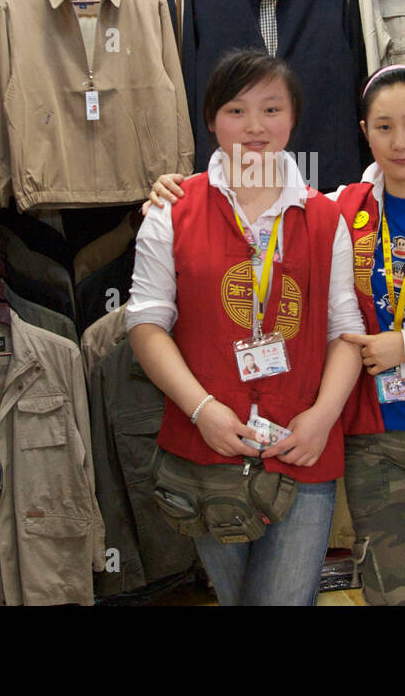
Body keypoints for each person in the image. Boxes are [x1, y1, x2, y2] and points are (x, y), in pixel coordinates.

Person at [145, 64, 405, 605]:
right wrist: (167, 191)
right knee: (397, 591)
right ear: (363, 131)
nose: (401, 141)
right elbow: (253, 199)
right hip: (373, 433)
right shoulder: (341, 208)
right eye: (384, 126)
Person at [126, 48, 365, 607]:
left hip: (301, 447)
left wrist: (322, 419)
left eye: (272, 109)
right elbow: (145, 324)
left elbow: (345, 331)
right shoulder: (173, 210)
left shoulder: (324, 216)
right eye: (236, 110)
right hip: (205, 448)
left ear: (294, 118)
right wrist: (202, 410)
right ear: (210, 119)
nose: (255, 127)